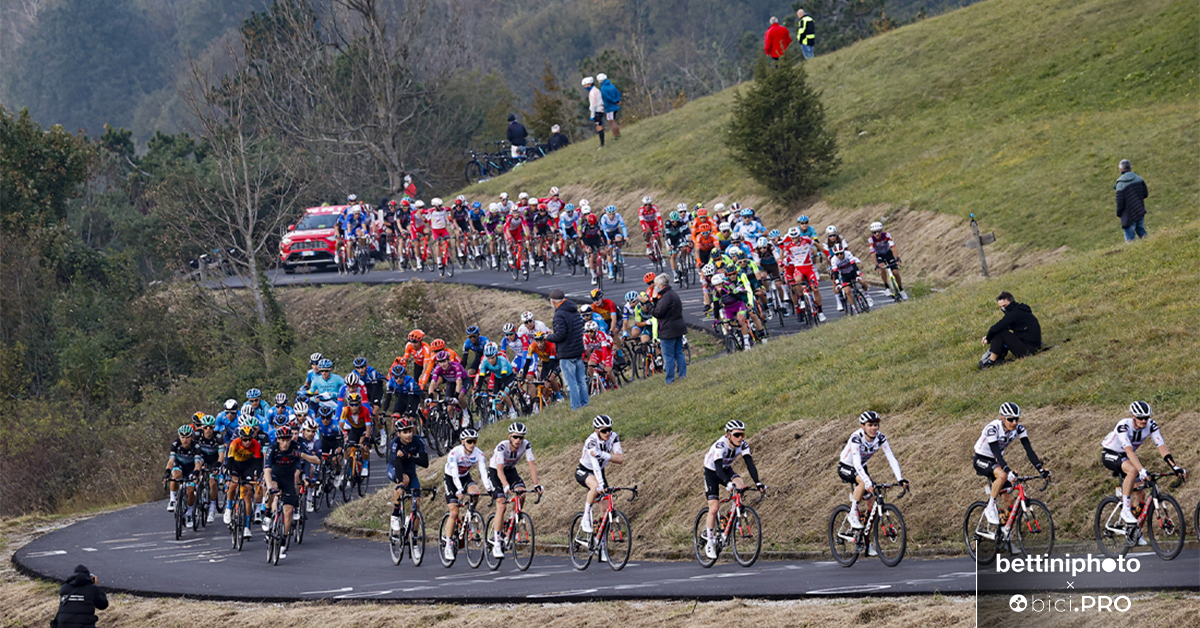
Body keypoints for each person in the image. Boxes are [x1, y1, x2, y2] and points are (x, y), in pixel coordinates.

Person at [1100, 401, 1184, 524]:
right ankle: (1126, 510)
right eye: (1140, 418)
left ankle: (1133, 530)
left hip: (1126, 456)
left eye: (1146, 417)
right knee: (1133, 470)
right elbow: (1129, 451)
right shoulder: (1123, 425)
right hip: (1111, 453)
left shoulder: (1151, 425)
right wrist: (1141, 470)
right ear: (1133, 416)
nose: (1144, 420)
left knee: (1140, 494)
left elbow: (1161, 446)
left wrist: (1175, 467)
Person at [972, 403, 1050, 525]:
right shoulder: (992, 428)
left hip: (995, 462)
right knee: (1003, 476)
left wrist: (1041, 470)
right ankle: (990, 507)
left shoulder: (1019, 429)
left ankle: (1006, 534)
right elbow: (996, 453)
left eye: (1017, 419)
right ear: (1002, 418)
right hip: (981, 458)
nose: (1014, 422)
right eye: (1010, 419)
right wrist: (1008, 471)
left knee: (1009, 499)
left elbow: (1029, 451)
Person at [701, 420, 765, 559]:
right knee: (714, 507)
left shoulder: (743, 445)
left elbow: (750, 464)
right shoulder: (720, 445)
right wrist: (727, 483)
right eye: (737, 435)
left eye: (742, 434)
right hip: (712, 471)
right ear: (728, 435)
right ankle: (710, 542)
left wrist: (758, 483)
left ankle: (733, 516)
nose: (740, 438)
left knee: (740, 486)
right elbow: (717, 467)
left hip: (726, 469)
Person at [838, 412, 907, 532]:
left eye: (876, 425)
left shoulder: (880, 438)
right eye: (870, 425)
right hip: (847, 466)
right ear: (862, 426)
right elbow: (856, 463)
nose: (874, 428)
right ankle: (853, 514)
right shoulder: (856, 437)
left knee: (871, 505)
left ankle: (865, 541)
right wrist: (866, 481)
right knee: (864, 483)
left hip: (861, 468)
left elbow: (891, 457)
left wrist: (899, 478)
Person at [488, 422, 542, 558]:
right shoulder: (501, 447)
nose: (518, 440)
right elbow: (499, 470)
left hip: (511, 470)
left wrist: (536, 484)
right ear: (510, 437)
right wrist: (505, 486)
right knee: (501, 504)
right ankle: (497, 544)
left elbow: (532, 465)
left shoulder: (526, 444)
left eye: (521, 437)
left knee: (522, 494)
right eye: (515, 437)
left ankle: (513, 520)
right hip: (496, 472)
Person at [441, 428, 493, 562]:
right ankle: (448, 544)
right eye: (469, 441)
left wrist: (489, 489)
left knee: (475, 492)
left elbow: (483, 472)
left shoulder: (478, 454)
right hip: (451, 478)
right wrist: (458, 490)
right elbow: (454, 473)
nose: (472, 444)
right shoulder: (454, 453)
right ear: (463, 442)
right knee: (453, 512)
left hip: (465, 476)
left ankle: (470, 514)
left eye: (474, 441)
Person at [576, 415, 623, 536]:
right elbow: (595, 464)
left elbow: (620, 459)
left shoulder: (614, 436)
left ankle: (601, 545)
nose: (607, 433)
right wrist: (601, 483)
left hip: (600, 471)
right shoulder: (591, 441)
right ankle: (585, 517)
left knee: (605, 510)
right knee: (596, 486)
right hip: (585, 470)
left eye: (609, 429)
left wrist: (602, 454)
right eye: (603, 430)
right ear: (596, 431)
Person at [387, 416, 430, 545]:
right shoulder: (395, 443)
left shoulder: (418, 441)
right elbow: (397, 463)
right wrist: (400, 482)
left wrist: (409, 455)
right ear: (398, 434)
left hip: (412, 472)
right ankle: (395, 515)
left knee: (416, 506)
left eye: (410, 431)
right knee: (404, 481)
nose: (408, 435)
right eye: (405, 432)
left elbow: (425, 463)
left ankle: (415, 541)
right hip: (395, 469)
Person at [545, 288, 587, 410]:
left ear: (553, 301)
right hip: (578, 350)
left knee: (571, 383)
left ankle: (576, 407)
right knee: (581, 381)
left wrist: (548, 337)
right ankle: (585, 403)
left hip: (567, 353)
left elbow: (561, 335)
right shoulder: (573, 310)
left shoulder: (559, 314)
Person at [979, 291, 1041, 369]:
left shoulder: (1015, 313)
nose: (1003, 309)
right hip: (1029, 345)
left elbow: (996, 327)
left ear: (1011, 302)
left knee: (999, 332)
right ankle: (996, 356)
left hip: (1029, 349)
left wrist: (988, 338)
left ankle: (991, 361)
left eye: (1004, 305)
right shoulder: (1019, 309)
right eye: (1000, 307)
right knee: (999, 332)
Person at [648, 274, 687, 383]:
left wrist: (648, 304)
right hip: (678, 327)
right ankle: (682, 375)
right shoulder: (673, 294)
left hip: (668, 330)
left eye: (656, 285)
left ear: (661, 285)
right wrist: (655, 300)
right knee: (679, 352)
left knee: (668, 356)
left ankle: (669, 379)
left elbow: (657, 312)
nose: (654, 287)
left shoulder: (666, 297)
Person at [867, 222, 908, 300]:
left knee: (895, 272)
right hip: (879, 255)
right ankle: (886, 287)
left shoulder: (886, 235)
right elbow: (873, 253)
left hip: (888, 253)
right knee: (882, 267)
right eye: (874, 232)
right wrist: (876, 265)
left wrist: (897, 258)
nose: (877, 234)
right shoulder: (871, 239)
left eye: (878, 231)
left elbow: (893, 247)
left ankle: (901, 289)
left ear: (881, 230)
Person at [1114, 159, 1149, 241]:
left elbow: (1120, 202)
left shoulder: (1120, 184)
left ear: (1121, 170)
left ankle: (1131, 251)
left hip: (1128, 214)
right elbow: (1145, 194)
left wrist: (1119, 213)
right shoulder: (1139, 178)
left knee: (1129, 237)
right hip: (1139, 210)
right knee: (1141, 231)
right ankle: (1149, 244)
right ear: (1130, 167)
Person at [583, 76, 605, 148]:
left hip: (597, 111)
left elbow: (593, 105)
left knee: (599, 127)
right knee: (599, 126)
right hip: (600, 109)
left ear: (589, 84)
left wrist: (592, 115)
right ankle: (602, 143)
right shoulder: (597, 90)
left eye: (585, 85)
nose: (585, 87)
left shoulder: (592, 93)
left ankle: (602, 144)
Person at [598, 73, 621, 139]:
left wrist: (614, 101)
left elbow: (607, 98)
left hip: (609, 107)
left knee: (611, 121)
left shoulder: (603, 89)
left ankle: (616, 135)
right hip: (615, 106)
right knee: (613, 120)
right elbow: (617, 93)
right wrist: (617, 100)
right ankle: (618, 133)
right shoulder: (612, 86)